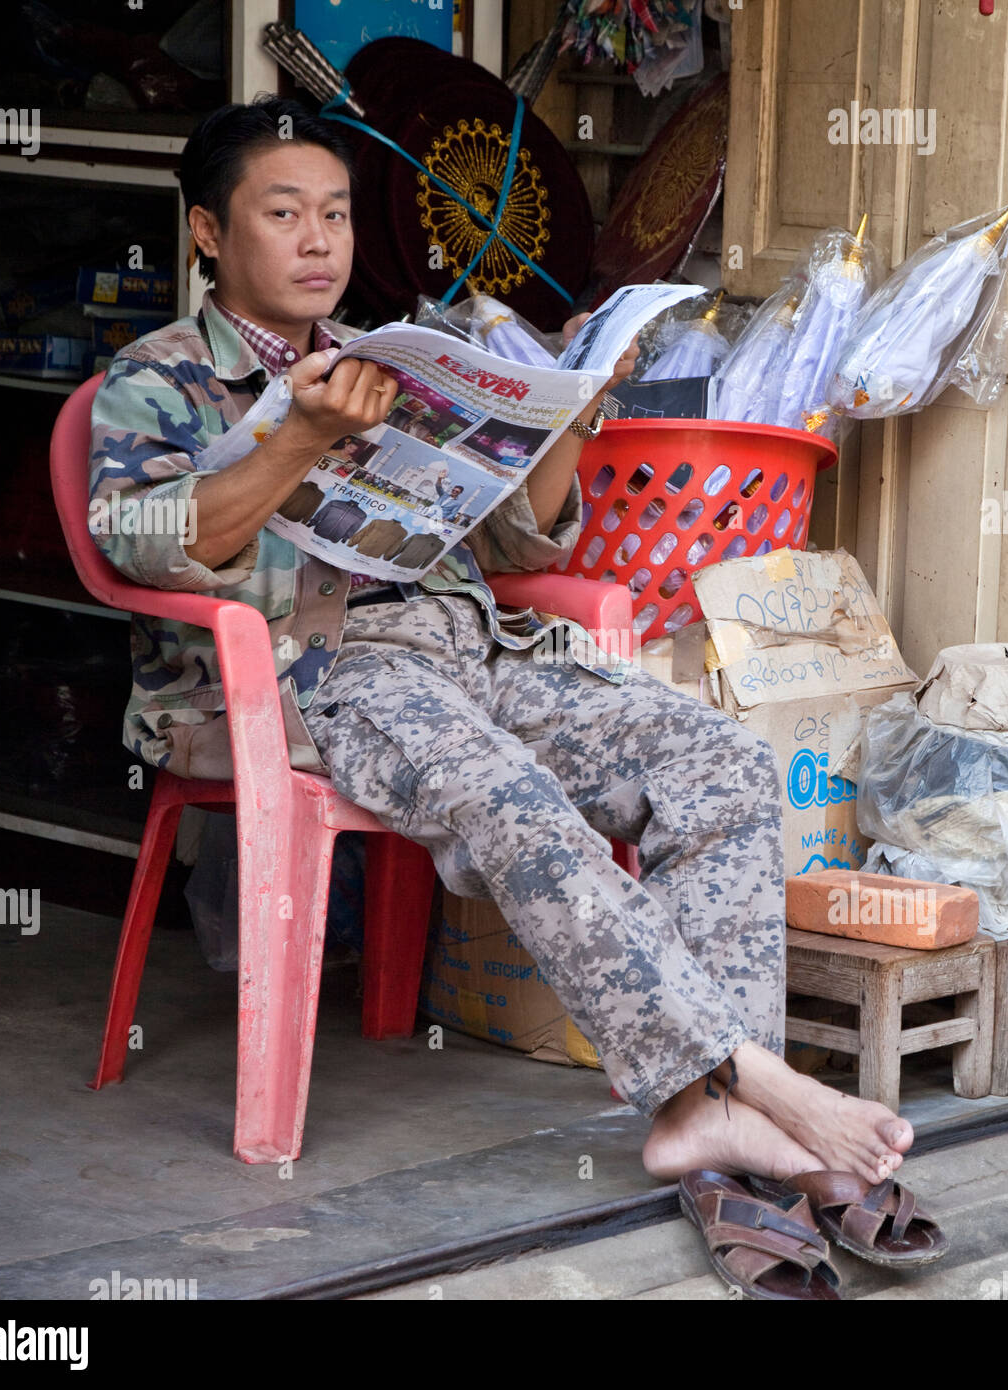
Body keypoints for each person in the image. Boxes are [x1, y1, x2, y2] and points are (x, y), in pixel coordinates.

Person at [88, 96, 913, 1186]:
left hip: (477, 654)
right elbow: (140, 544)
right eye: (283, 212)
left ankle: (711, 1105)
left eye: (334, 213)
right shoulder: (157, 379)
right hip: (319, 672)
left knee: (716, 757)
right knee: (509, 795)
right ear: (206, 231)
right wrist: (301, 438)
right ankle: (739, 1081)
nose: (319, 239)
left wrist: (565, 417)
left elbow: (514, 537)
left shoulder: (383, 358)